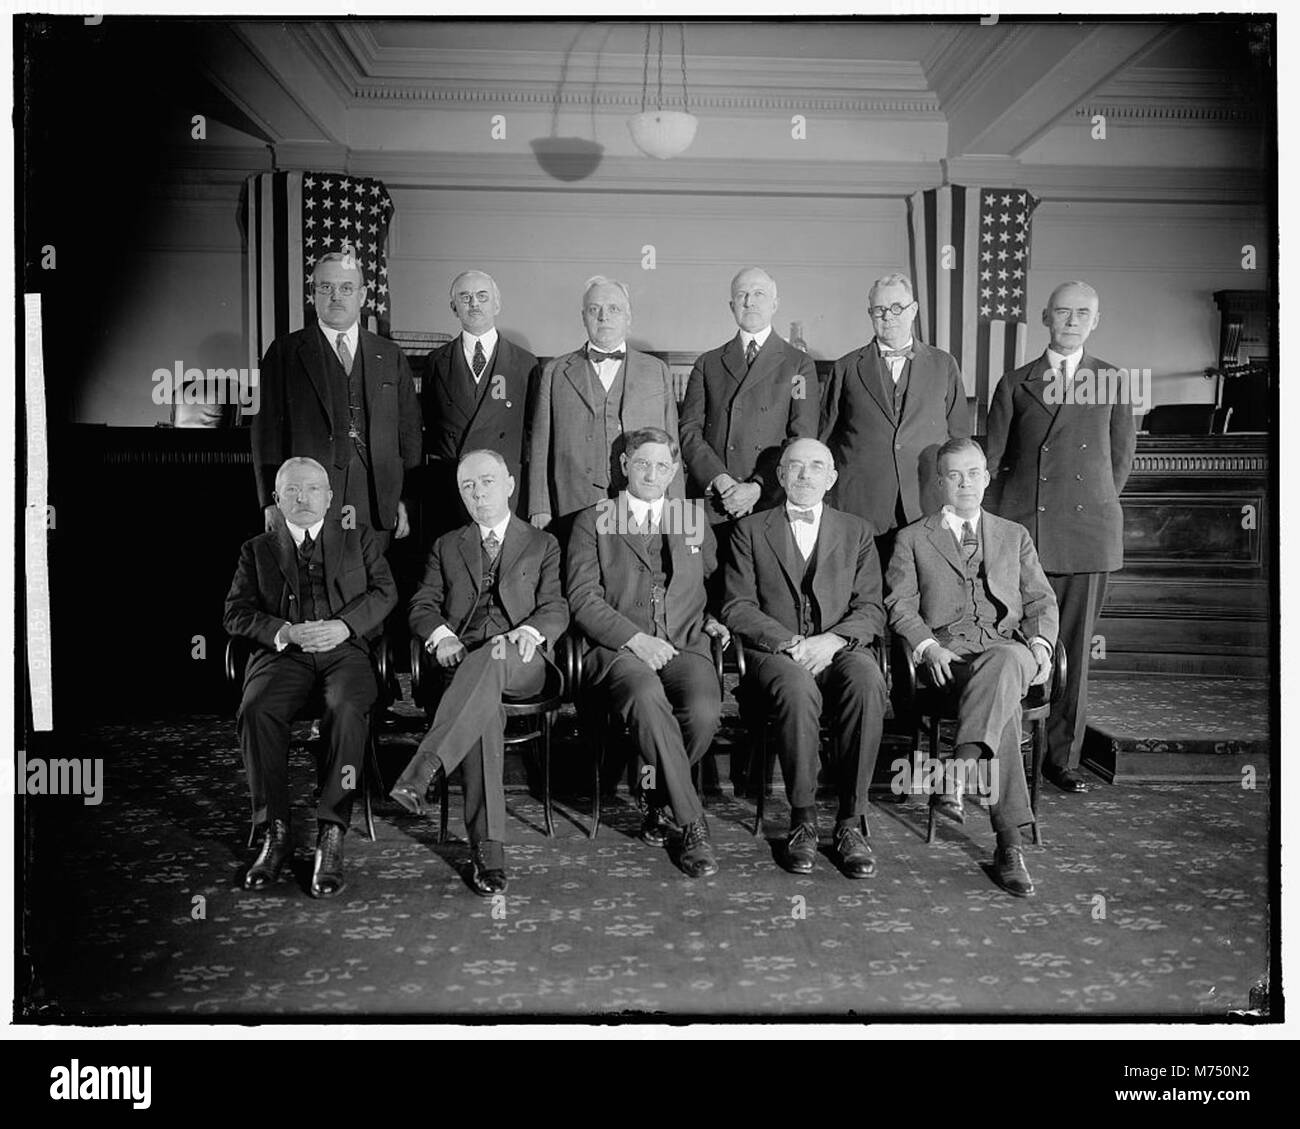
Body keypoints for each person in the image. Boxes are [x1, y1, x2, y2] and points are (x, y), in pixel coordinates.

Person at [389, 449, 568, 896]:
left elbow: (556, 605)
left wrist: (530, 631)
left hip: (524, 660)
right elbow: (422, 605)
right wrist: (441, 636)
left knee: (494, 658)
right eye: (468, 486)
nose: (478, 492)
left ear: (509, 484)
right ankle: (488, 850)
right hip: (461, 664)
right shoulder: (447, 545)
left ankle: (425, 767)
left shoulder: (543, 543)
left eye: (487, 481)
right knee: (483, 711)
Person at [885, 438, 1059, 896]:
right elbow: (900, 606)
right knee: (999, 700)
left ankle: (957, 774)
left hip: (1010, 648)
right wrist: (927, 648)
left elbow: (1041, 599)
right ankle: (1009, 844)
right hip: (952, 660)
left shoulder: (1013, 534)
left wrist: (1041, 646)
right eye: (955, 475)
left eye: (974, 473)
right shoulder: (912, 538)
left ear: (986, 477)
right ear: (940, 481)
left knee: (1003, 662)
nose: (966, 483)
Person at [984, 281, 1136, 795]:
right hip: (1022, 533)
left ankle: (1061, 758)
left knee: (1072, 651)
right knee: (1012, 644)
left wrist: (1088, 512)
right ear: (1046, 317)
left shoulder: (1113, 381)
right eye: (1063, 312)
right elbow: (995, 465)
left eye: (1083, 313)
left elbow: (1118, 465)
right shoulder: (1015, 382)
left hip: (1086, 535)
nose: (1072, 320)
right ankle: (1008, 750)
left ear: (1096, 320)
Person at [224, 457, 397, 898]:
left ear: (330, 496)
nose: (303, 499)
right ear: (277, 499)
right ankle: (275, 830)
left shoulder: (359, 539)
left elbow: (385, 593)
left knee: (345, 708)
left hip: (346, 653)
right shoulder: (257, 549)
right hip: (283, 655)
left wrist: (344, 625)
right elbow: (235, 613)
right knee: (256, 708)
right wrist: (283, 631)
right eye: (292, 491)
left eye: (312, 490)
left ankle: (332, 830)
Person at [722, 437, 888, 878]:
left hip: (839, 648)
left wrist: (832, 640)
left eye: (816, 466)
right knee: (796, 688)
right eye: (794, 467)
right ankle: (803, 818)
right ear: (779, 476)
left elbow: (871, 608)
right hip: (775, 654)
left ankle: (851, 822)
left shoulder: (857, 531)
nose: (804, 475)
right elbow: (737, 605)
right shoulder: (750, 530)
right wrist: (787, 643)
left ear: (831, 478)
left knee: (868, 680)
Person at [566, 427, 728, 878]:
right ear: (624, 467)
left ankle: (655, 796)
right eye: (641, 464)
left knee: (703, 710)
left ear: (674, 470)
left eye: (661, 466)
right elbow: (582, 598)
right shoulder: (595, 518)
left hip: (684, 641)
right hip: (621, 649)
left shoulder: (691, 517)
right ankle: (692, 822)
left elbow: (713, 581)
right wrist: (635, 640)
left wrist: (714, 618)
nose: (651, 473)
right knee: (644, 696)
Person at [251, 250, 423, 549]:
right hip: (308, 499)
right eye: (326, 287)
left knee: (372, 585)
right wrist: (270, 501)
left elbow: (409, 432)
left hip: (376, 499)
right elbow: (266, 434)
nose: (336, 296)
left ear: (362, 294)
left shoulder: (390, 354)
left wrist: (406, 497)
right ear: (313, 293)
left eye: (346, 288)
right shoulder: (285, 352)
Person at [819, 272, 969, 573]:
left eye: (897, 307)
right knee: (865, 596)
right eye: (880, 310)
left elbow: (959, 438)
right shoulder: (846, 367)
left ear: (913, 310)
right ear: (870, 314)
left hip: (926, 502)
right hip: (862, 506)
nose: (889, 316)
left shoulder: (944, 364)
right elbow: (823, 437)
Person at [529, 277, 682, 535]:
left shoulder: (656, 371)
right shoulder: (555, 372)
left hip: (642, 504)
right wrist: (540, 506)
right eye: (594, 309)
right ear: (583, 317)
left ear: (628, 316)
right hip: (574, 503)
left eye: (614, 309)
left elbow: (673, 446)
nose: (603, 317)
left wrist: (676, 509)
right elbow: (541, 445)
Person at [678, 267, 820, 524]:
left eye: (759, 294)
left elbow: (802, 436)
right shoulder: (707, 364)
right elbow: (689, 430)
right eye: (742, 294)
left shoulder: (799, 366)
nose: (749, 301)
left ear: (775, 304)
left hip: (769, 499)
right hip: (714, 500)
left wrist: (757, 487)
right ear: (732, 305)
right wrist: (719, 479)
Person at [422, 271, 539, 540]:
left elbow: (532, 435)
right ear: (454, 308)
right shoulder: (435, 361)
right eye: (465, 297)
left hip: (504, 486)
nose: (474, 303)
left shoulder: (525, 363)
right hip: (453, 485)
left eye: (482, 297)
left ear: (496, 304)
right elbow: (429, 428)